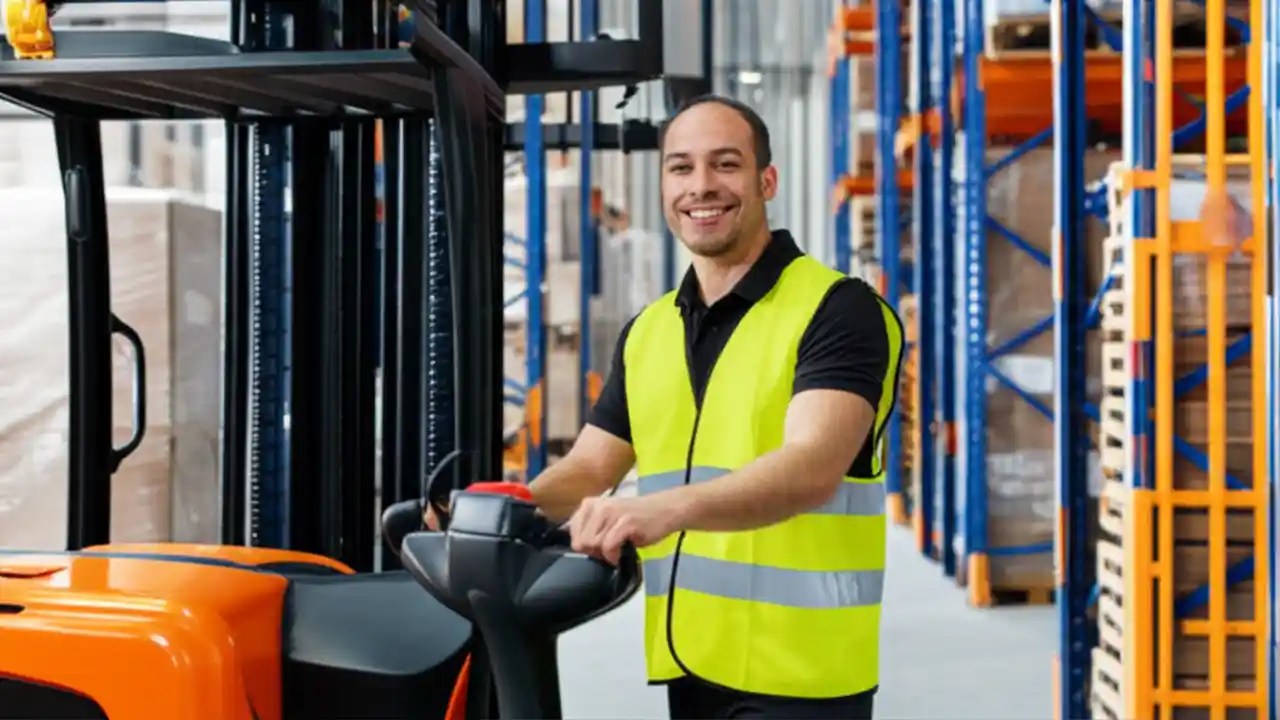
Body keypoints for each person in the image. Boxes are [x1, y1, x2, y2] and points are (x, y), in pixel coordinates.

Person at [431, 94, 903, 719]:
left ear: (767, 180)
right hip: (693, 659)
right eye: (681, 168)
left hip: (803, 676)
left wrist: (657, 510)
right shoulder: (648, 331)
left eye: (725, 165)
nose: (701, 186)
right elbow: (591, 467)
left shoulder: (837, 310)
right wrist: (502, 512)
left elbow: (811, 467)